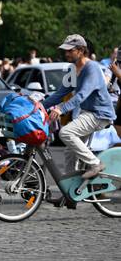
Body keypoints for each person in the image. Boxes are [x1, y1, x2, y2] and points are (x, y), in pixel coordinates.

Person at [43, 33, 117, 181]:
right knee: (70, 153)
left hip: (99, 114)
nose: (67, 53)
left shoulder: (92, 68)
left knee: (65, 133)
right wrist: (39, 106)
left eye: (70, 50)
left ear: (81, 50)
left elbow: (81, 95)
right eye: (66, 50)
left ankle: (96, 164)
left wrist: (61, 109)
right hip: (86, 113)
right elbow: (60, 93)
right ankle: (69, 191)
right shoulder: (72, 69)